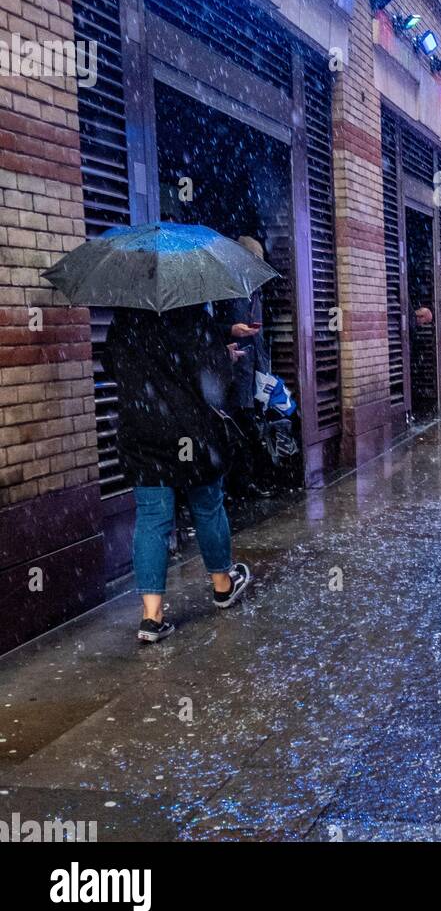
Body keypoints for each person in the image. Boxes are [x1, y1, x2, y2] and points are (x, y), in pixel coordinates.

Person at [104, 303, 252, 644]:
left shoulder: (126, 316)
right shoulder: (193, 314)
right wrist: (224, 355)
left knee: (152, 517)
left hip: (143, 430)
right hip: (192, 431)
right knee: (207, 505)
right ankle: (222, 586)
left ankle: (152, 618)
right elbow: (214, 377)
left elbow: (112, 365)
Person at [214, 236, 274, 498]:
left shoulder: (254, 290)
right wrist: (230, 331)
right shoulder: (225, 289)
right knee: (237, 428)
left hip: (250, 371)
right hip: (233, 371)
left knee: (248, 426)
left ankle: (244, 481)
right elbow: (209, 328)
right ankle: (236, 484)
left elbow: (258, 336)